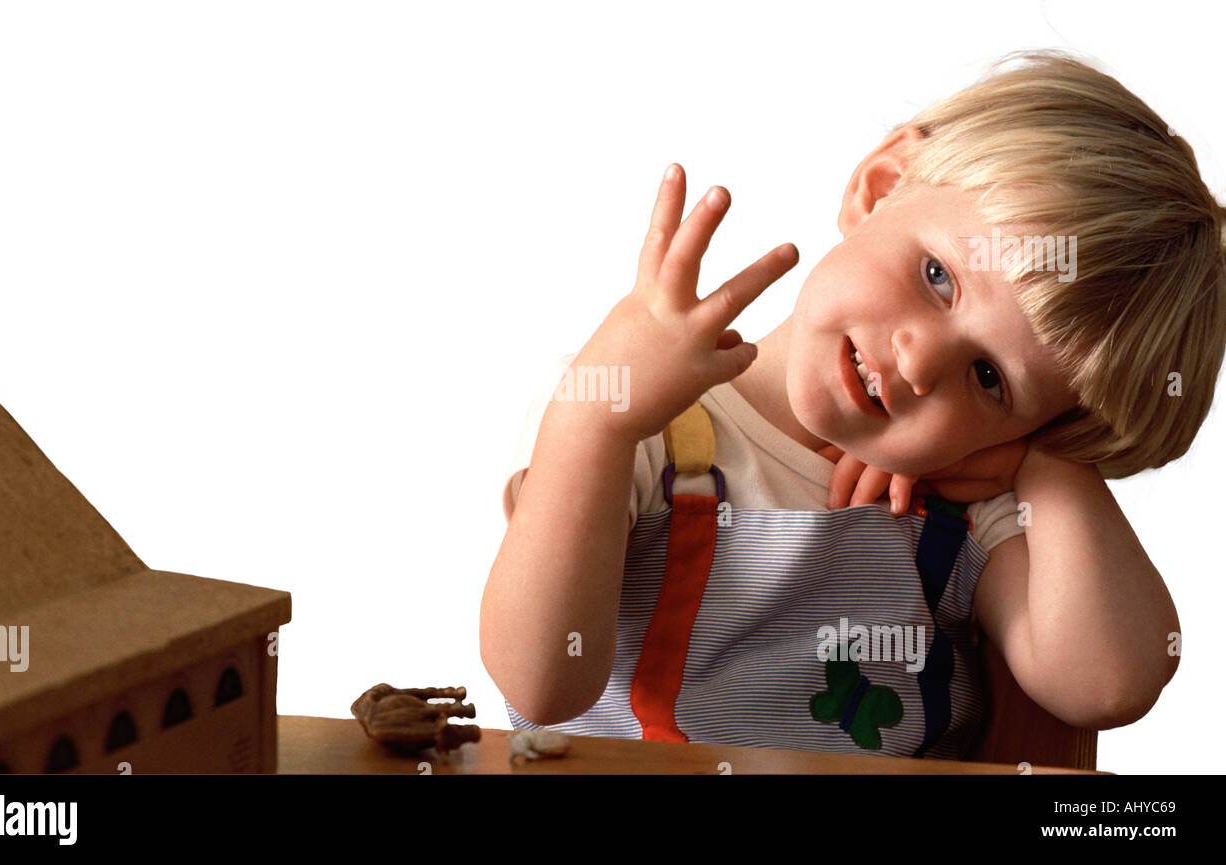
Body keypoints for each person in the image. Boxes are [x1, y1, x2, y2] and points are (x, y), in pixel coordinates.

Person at [479, 51, 1223, 758]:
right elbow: (544, 685)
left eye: (990, 378)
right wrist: (596, 423)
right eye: (939, 276)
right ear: (879, 188)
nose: (921, 361)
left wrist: (1051, 470)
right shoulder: (637, 421)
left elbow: (1109, 681)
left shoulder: (964, 500)